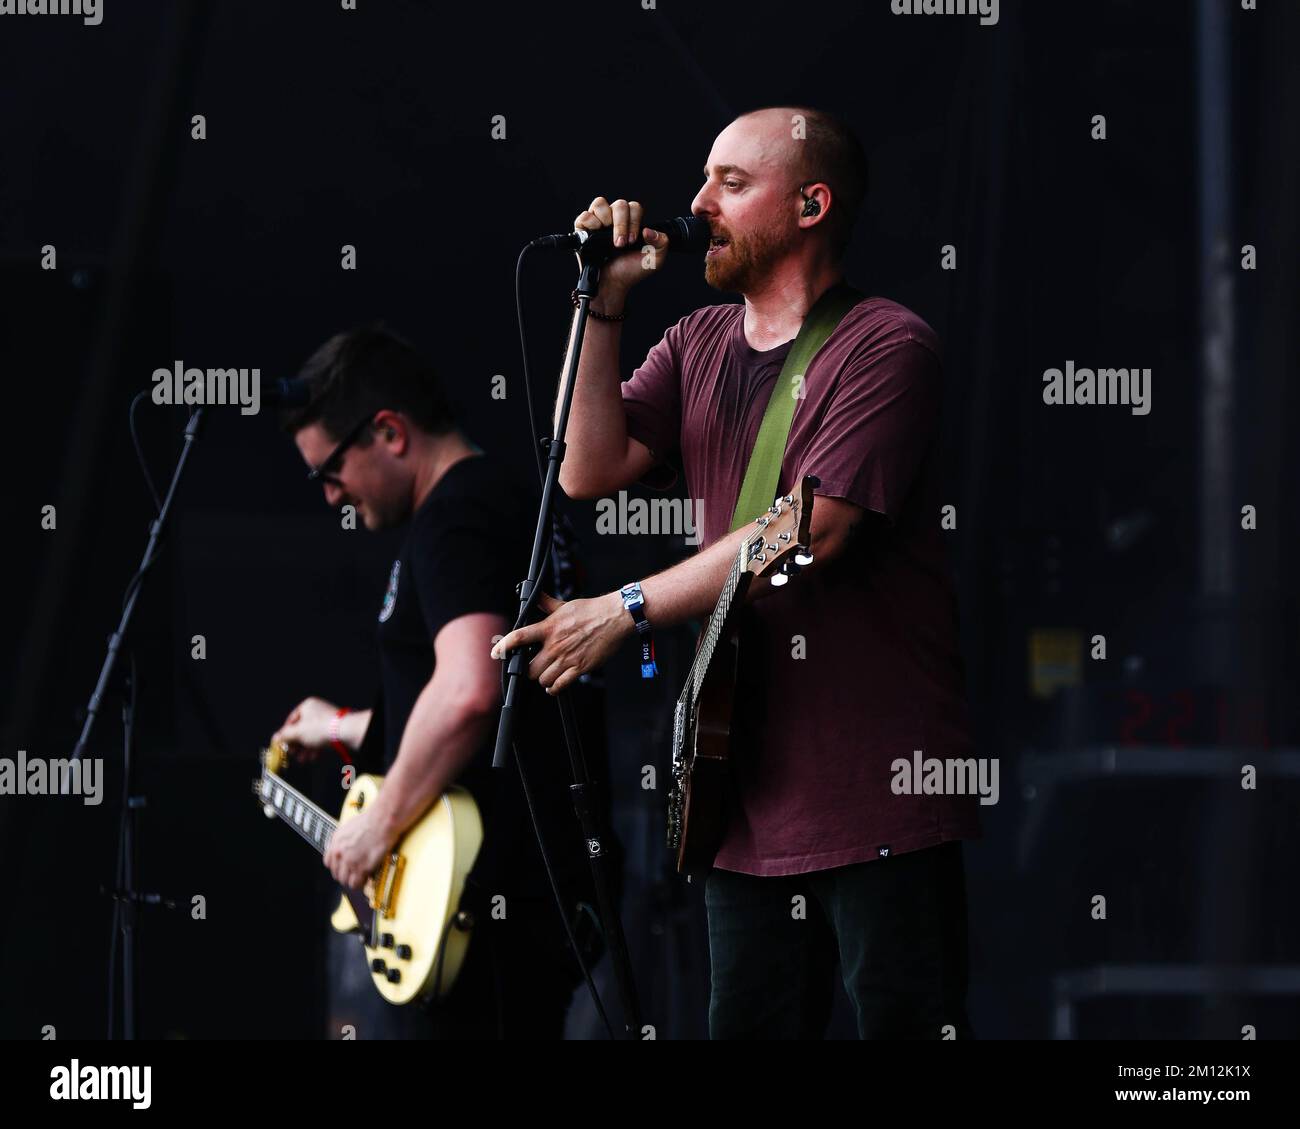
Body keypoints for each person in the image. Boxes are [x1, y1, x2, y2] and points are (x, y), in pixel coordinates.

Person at [493, 106, 979, 1039]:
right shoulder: (698, 343)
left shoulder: (887, 344)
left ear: (811, 204)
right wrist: (604, 301)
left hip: (878, 787)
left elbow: (810, 529)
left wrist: (625, 608)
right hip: (739, 791)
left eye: (730, 182)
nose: (696, 202)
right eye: (703, 179)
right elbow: (586, 468)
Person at [273, 325, 609, 1039]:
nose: (330, 495)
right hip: (507, 893)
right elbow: (477, 711)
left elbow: (467, 692)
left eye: (328, 471)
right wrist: (336, 725)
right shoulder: (501, 502)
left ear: (389, 432)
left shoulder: (456, 514)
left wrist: (376, 826)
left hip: (488, 899)